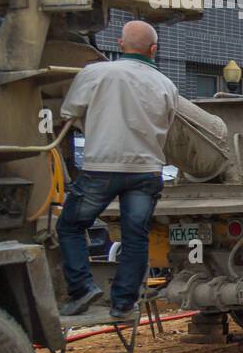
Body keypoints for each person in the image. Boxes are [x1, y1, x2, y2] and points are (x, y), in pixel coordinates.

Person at [57, 20, 178, 321]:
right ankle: (123, 304)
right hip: (147, 170)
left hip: (102, 166)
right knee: (136, 236)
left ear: (120, 44)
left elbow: (68, 113)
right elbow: (169, 125)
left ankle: (82, 288)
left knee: (70, 226)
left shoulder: (95, 73)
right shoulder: (167, 85)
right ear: (153, 50)